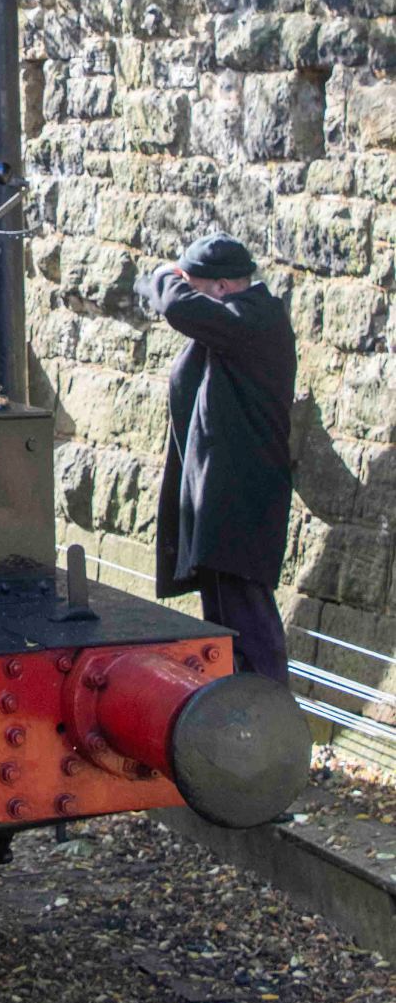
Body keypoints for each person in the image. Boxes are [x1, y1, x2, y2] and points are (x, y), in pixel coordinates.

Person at [135, 233, 297, 684]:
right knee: (232, 619)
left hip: (240, 498)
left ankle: (268, 713)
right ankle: (247, 710)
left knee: (249, 626)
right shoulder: (236, 320)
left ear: (222, 287)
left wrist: (167, 276)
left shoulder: (252, 319)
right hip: (226, 497)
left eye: (197, 286)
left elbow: (178, 306)